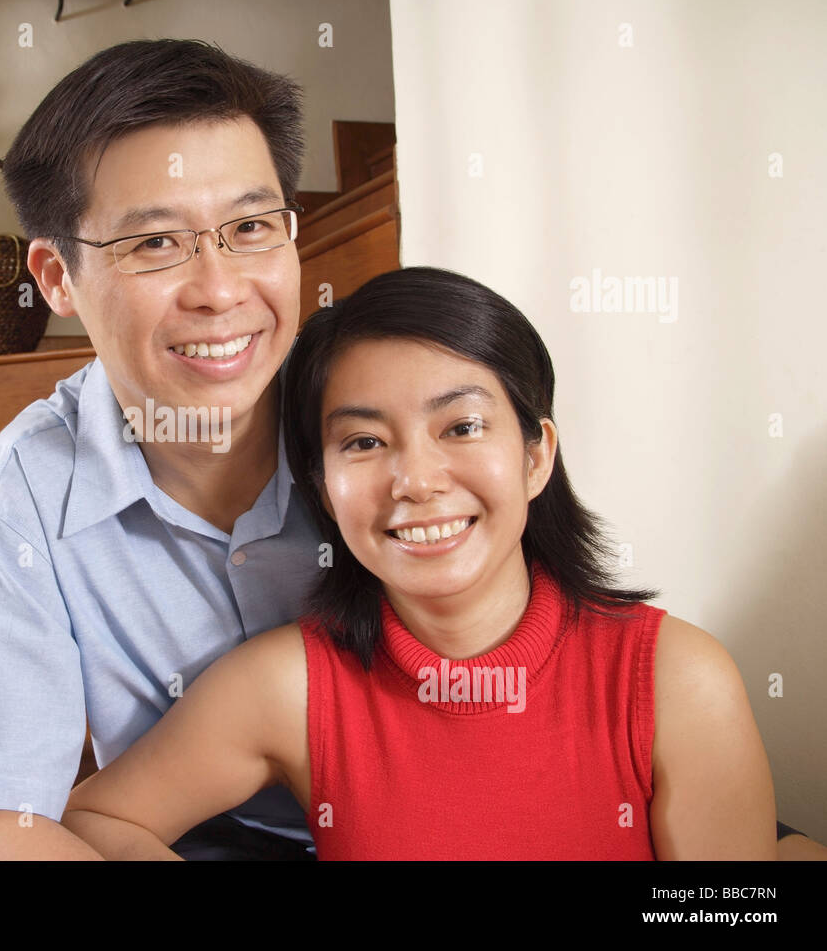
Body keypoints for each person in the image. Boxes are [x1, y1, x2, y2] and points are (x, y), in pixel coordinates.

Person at [60, 267, 780, 859]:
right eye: (365, 442)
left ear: (536, 456)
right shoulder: (290, 686)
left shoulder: (677, 679)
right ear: (322, 488)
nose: (417, 479)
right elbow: (100, 820)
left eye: (461, 426)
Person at [0, 38, 325, 859]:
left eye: (250, 226)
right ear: (56, 278)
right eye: (155, 244)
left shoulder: (376, 416)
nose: (218, 290)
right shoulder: (23, 496)